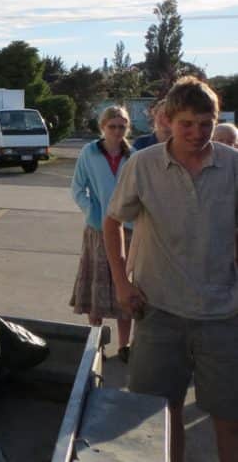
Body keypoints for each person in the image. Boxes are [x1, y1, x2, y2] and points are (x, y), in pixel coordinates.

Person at [103, 76, 238, 462]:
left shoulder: (233, 165)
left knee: (230, 417)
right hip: (159, 311)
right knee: (162, 415)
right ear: (168, 121)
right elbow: (112, 222)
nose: (197, 133)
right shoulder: (144, 165)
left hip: (223, 314)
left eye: (205, 122)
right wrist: (121, 282)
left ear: (216, 119)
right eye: (187, 124)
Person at [70, 105, 135, 360]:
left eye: (122, 126)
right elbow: (77, 188)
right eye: (112, 126)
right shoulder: (89, 152)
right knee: (96, 285)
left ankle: (124, 345)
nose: (117, 131)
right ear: (102, 127)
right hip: (98, 228)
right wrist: (92, 213)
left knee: (125, 286)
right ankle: (95, 342)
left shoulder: (134, 155)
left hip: (128, 229)